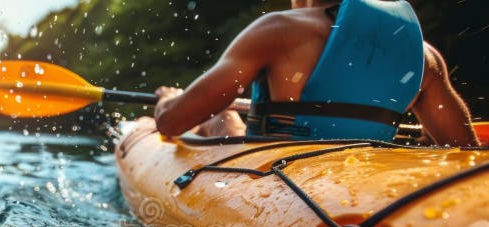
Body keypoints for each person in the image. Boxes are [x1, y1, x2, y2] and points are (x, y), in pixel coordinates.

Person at [153, 0, 479, 147]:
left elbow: (172, 122)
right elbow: (463, 146)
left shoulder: (277, 31)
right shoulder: (423, 55)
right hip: (362, 179)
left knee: (218, 117)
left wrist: (169, 100)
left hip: (277, 179)